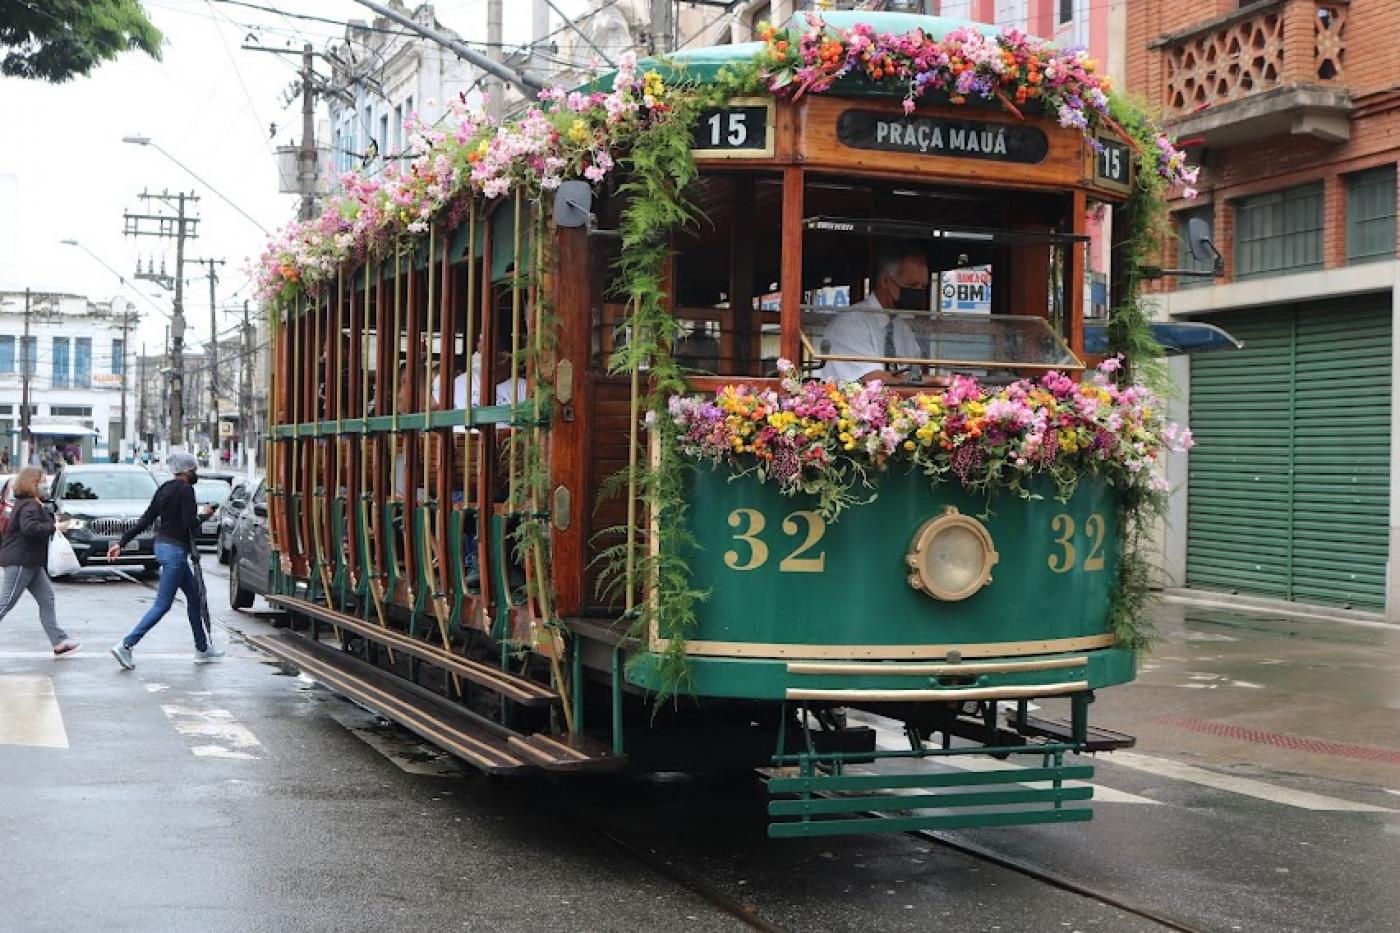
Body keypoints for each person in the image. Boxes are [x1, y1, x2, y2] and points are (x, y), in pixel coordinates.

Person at [108, 450, 224, 669]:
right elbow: (189, 524)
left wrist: (122, 543)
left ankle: (202, 649)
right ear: (186, 471)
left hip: (162, 547)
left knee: (194, 597)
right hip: (175, 553)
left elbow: (145, 520)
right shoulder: (186, 490)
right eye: (194, 469)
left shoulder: (164, 489)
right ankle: (126, 645)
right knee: (162, 604)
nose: (196, 473)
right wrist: (205, 515)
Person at [817, 243, 929, 385]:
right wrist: (937, 380)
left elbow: (913, 377)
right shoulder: (850, 323)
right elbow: (873, 380)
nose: (918, 292)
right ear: (886, 281)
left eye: (923, 286)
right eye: (912, 285)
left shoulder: (903, 330)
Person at [0, 467, 79, 656]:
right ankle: (59, 641)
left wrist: (52, 521)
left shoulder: (32, 503)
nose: (46, 485)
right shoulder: (29, 504)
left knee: (47, 598)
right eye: (42, 481)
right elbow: (30, 529)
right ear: (32, 484)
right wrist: (55, 527)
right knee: (5, 603)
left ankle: (59, 641)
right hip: (21, 561)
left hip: (32, 562)